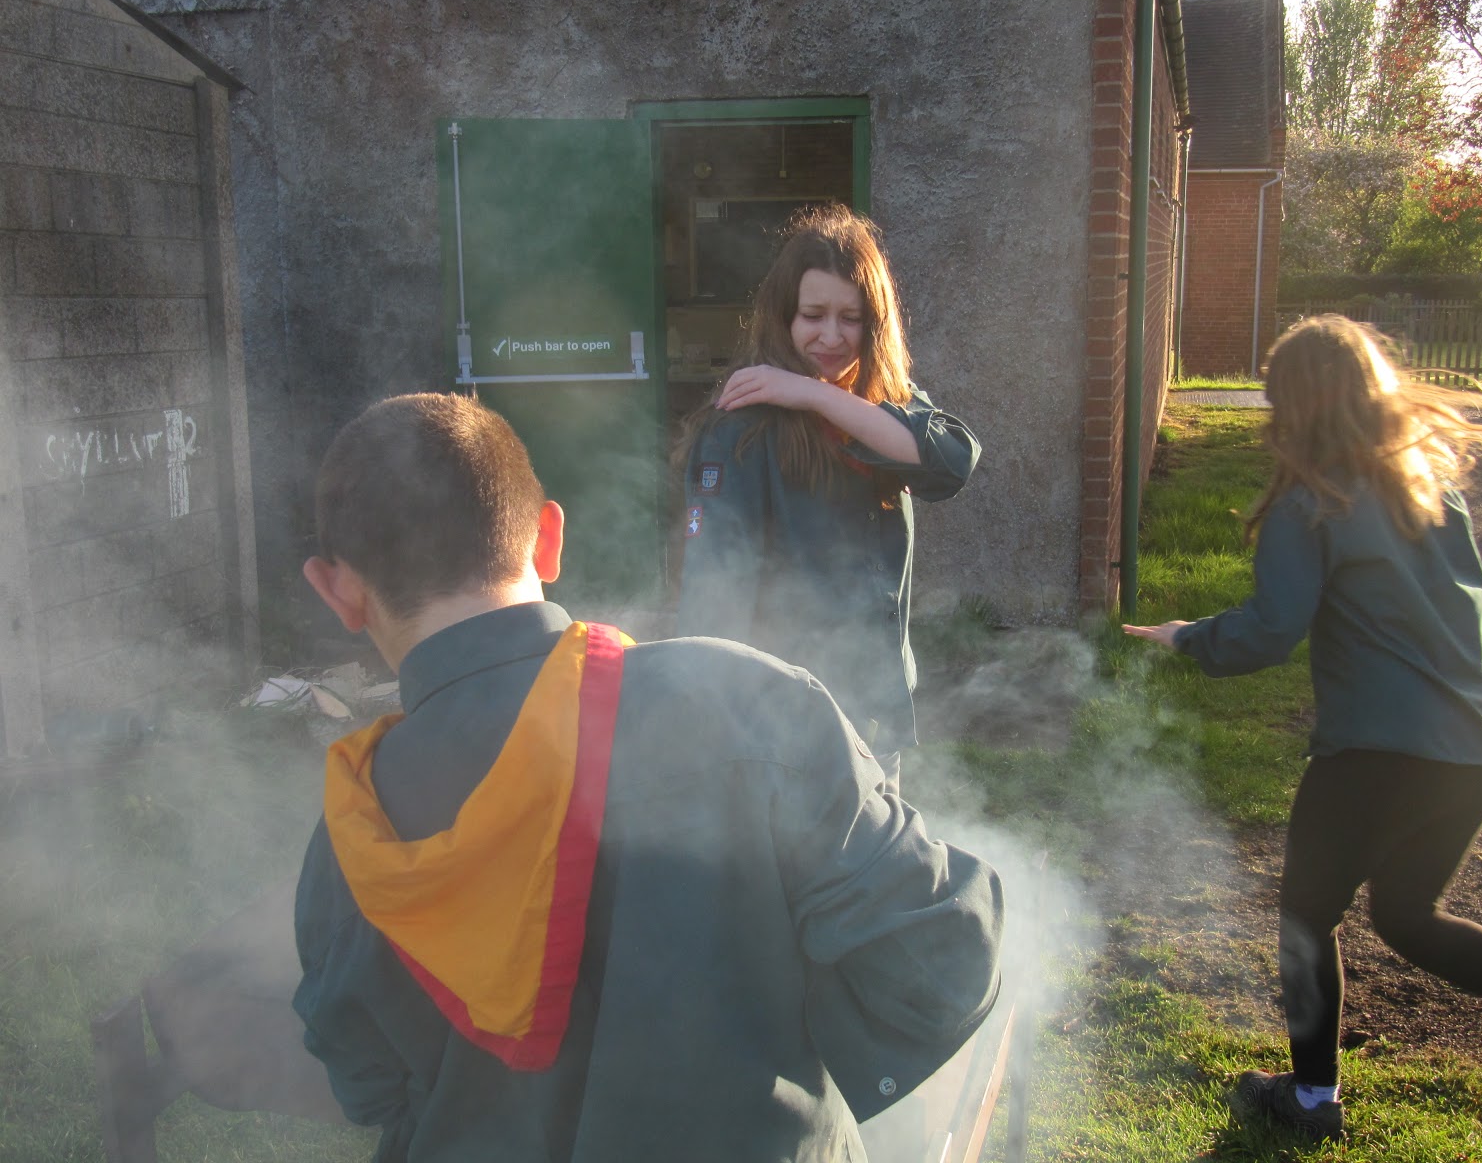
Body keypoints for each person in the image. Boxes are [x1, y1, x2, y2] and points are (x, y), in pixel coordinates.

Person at [291, 393, 1003, 1163]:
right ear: (550, 539)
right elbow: (943, 962)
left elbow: (369, 1090)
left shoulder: (348, 840)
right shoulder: (745, 703)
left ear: (339, 592)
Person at [1123, 316, 1482, 1143]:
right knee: (1410, 916)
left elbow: (1273, 630)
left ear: (1296, 408)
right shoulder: (1427, 487)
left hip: (1381, 754)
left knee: (1308, 916)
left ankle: (1310, 1103)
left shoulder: (1312, 504)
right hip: (1475, 750)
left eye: (1275, 402)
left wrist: (1188, 636)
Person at [675, 205, 980, 792]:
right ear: (782, 316)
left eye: (851, 318)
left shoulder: (884, 407)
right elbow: (715, 590)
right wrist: (706, 723)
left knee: (875, 869)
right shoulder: (742, 427)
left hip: (877, 714)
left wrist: (815, 395)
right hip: (783, 727)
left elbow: (952, 462)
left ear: (875, 324)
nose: (832, 337)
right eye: (813, 315)